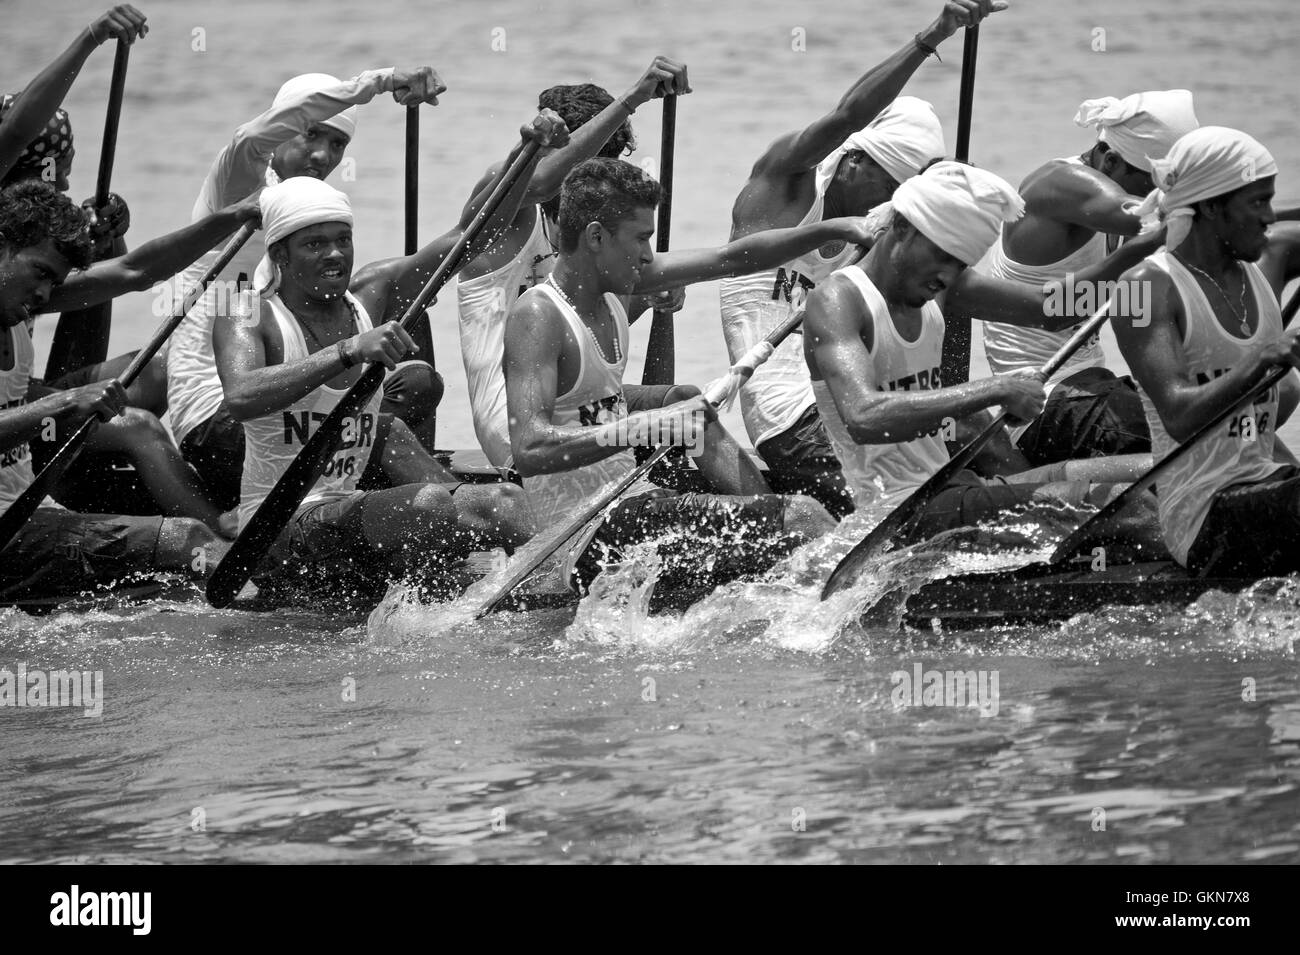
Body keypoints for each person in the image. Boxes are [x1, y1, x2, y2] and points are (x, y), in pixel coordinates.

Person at [212, 114, 568, 600]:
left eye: (342, 240)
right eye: (314, 244)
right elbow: (240, 397)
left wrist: (522, 155)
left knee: (505, 500)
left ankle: (568, 583)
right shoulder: (246, 314)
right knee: (426, 504)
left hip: (352, 508)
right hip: (278, 527)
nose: (334, 254)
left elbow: (474, 234)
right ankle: (428, 591)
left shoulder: (372, 292)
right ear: (279, 256)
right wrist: (347, 350)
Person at [502, 158, 888, 593]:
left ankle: (776, 539)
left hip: (631, 505)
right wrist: (643, 427)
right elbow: (530, 448)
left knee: (711, 431)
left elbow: (732, 258)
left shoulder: (616, 289)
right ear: (595, 236)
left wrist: (832, 229)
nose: (649, 255)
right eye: (641, 238)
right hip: (584, 534)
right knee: (803, 520)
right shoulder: (537, 315)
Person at [720, 0, 1006, 516]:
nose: (898, 205)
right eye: (895, 187)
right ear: (854, 162)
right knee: (952, 484)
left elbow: (950, 295)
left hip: (862, 400)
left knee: (981, 433)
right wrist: (934, 35)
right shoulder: (784, 189)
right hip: (791, 420)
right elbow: (848, 114)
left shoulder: (887, 234)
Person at [802, 161, 1166, 545]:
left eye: (959, 264)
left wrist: (1141, 247)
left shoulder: (943, 284)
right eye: (942, 256)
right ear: (903, 226)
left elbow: (1050, 310)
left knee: (1155, 470)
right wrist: (996, 389)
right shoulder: (838, 300)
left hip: (955, 486)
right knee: (1128, 505)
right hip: (902, 512)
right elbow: (864, 417)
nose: (946, 275)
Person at [170, 66, 447, 513]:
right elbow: (250, 137)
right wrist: (377, 83)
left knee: (414, 367)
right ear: (282, 130)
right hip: (216, 420)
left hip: (294, 405)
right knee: (389, 427)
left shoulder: (311, 209)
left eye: (338, 144)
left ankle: (415, 505)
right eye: (311, 135)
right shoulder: (239, 181)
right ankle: (406, 508)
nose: (323, 155)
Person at [457, 57, 693, 471]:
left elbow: (589, 327)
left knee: (686, 407)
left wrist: (652, 293)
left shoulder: (592, 231)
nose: (611, 173)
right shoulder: (508, 211)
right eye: (600, 157)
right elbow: (540, 182)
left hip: (582, 407)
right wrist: (634, 97)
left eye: (617, 158)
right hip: (520, 428)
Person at [0, 181, 228, 601]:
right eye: (42, 274)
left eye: (54, 283)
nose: (45, 295)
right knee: (190, 543)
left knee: (174, 559)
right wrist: (67, 401)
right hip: (9, 532)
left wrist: (235, 217)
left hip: (29, 511)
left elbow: (138, 269)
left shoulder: (16, 302)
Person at [1113, 127, 1300, 576]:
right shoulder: (1142, 289)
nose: (1270, 217)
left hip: (1265, 481)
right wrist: (1260, 359)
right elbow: (1178, 416)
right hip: (1203, 514)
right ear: (1212, 207)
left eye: (1270, 200)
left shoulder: (1271, 258)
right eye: (1257, 202)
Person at [978, 90, 1199, 466]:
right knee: (1197, 429)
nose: (1163, 194)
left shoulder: (1113, 215)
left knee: (1225, 408)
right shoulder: (1058, 183)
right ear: (1110, 160)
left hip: (1089, 385)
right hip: (1041, 404)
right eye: (1158, 182)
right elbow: (1153, 218)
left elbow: (1134, 311)